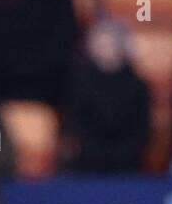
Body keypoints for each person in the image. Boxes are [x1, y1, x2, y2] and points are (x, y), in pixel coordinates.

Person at [62, 20, 152, 173]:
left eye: (110, 43)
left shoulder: (138, 85)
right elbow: (76, 122)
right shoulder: (78, 82)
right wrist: (91, 150)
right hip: (88, 160)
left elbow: (141, 127)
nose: (105, 48)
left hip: (128, 161)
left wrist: (124, 153)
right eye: (99, 43)